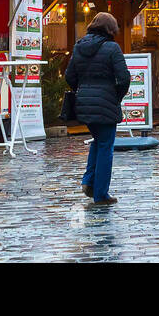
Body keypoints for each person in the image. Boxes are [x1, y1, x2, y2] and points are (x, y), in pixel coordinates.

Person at [64, 12, 131, 206]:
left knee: (99, 141)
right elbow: (124, 78)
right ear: (111, 29)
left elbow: (69, 76)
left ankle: (89, 182)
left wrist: (82, 90)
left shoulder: (79, 47)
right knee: (105, 147)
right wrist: (116, 96)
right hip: (106, 104)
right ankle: (100, 194)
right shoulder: (112, 48)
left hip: (84, 104)